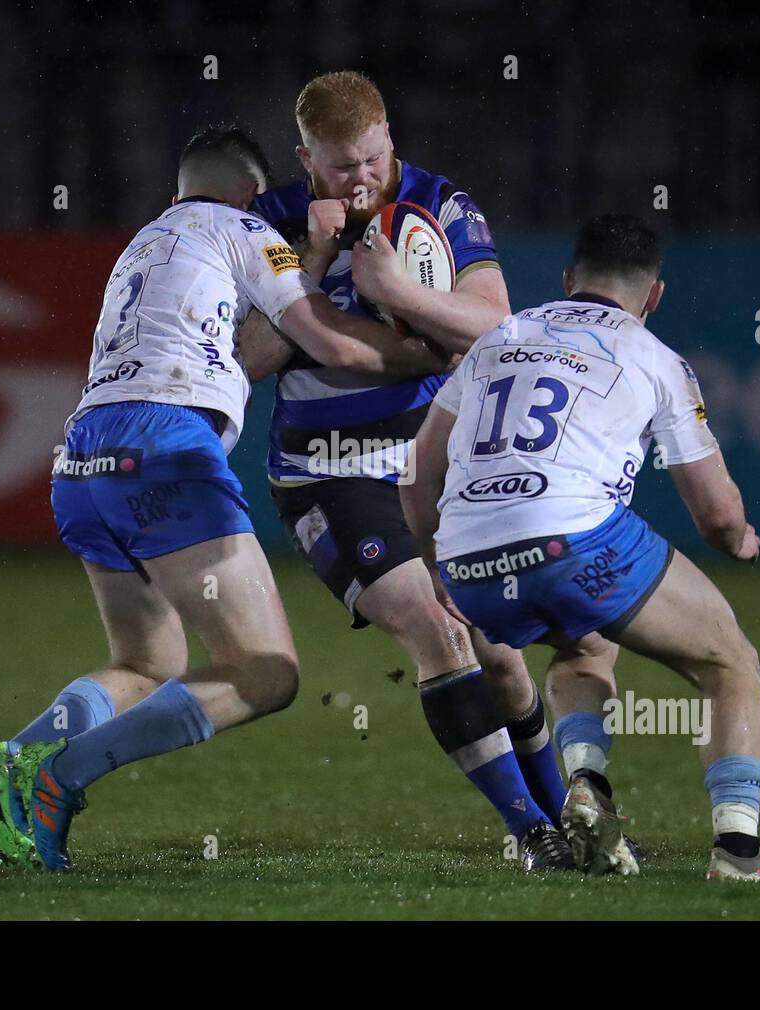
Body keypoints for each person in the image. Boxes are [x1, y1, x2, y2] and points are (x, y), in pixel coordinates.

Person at [0, 125, 446, 871]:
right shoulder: (249, 229)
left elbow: (244, 351)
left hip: (84, 457)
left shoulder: (142, 246)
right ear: (253, 194)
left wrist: (312, 257)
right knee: (266, 672)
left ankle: (18, 756)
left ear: (176, 192)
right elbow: (332, 344)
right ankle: (64, 775)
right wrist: (432, 352)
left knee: (145, 665)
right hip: (166, 452)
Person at [400, 213, 760, 881]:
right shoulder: (654, 357)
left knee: (583, 642)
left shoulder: (498, 338)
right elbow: (715, 512)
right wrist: (739, 539)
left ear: (568, 279)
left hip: (467, 557)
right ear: (653, 295)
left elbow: (419, 471)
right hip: (571, 539)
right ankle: (739, 854)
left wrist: (438, 569)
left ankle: (587, 785)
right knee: (730, 662)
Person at [240, 71, 573, 870]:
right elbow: (249, 357)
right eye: (341, 165)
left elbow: (494, 322)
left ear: (392, 142)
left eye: (374, 159)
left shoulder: (441, 205)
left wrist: (397, 292)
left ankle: (576, 822)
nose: (362, 179)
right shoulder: (268, 221)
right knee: (435, 626)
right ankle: (533, 832)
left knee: (499, 654)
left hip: (434, 469)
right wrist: (315, 257)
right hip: (329, 472)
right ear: (305, 159)